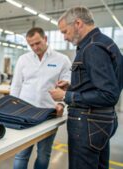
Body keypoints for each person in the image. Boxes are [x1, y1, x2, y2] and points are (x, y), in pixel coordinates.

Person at [49, 6, 123, 169]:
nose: (64, 38)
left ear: (78, 23)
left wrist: (66, 96)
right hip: (99, 122)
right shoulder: (104, 43)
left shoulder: (92, 48)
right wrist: (73, 85)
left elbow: (108, 95)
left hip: (88, 123)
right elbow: (102, 82)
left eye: (64, 32)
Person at [11, 27, 71, 169]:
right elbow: (16, 86)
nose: (35, 47)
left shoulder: (62, 60)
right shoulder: (23, 59)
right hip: (24, 114)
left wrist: (62, 105)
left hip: (49, 114)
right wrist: (11, 109)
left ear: (45, 39)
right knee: (21, 154)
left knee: (44, 154)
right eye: (31, 45)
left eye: (38, 43)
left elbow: (68, 87)